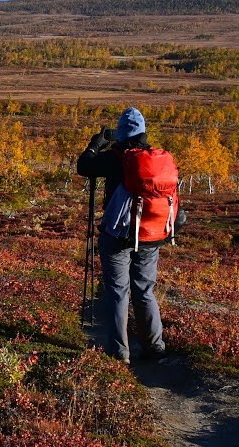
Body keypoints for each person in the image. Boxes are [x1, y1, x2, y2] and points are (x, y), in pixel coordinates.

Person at [76, 107, 170, 364]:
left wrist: (96, 144)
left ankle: (120, 353)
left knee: (118, 291)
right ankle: (155, 347)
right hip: (151, 235)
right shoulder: (155, 159)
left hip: (118, 236)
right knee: (145, 291)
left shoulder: (116, 157)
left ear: (121, 133)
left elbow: (83, 166)